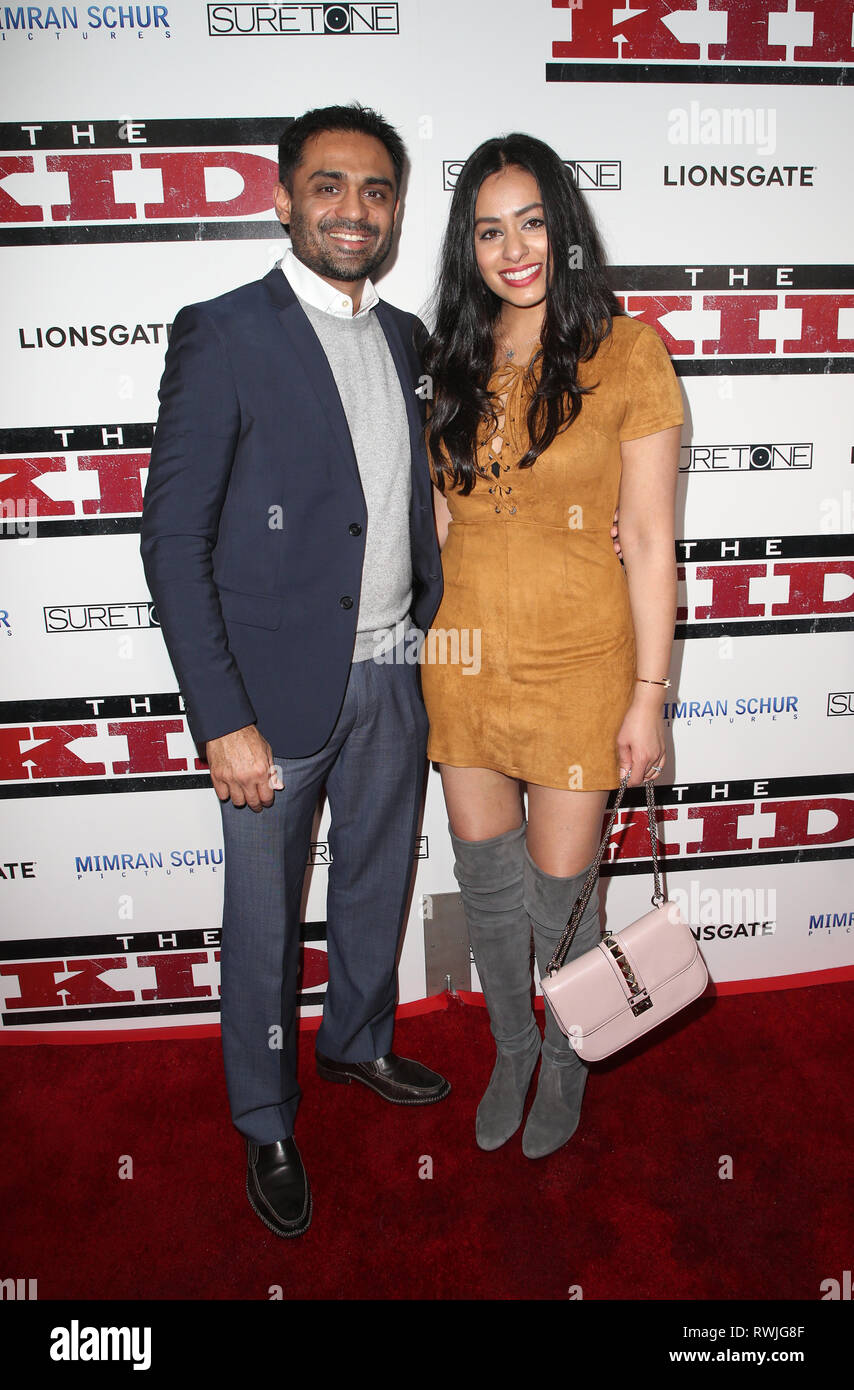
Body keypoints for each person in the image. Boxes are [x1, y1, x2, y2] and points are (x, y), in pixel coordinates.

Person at [140, 104, 450, 1239]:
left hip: (394, 675)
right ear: (283, 199)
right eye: (328, 187)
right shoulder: (223, 332)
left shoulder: (410, 336)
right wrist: (218, 715)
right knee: (264, 917)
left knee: (374, 883)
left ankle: (358, 1041)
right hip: (269, 695)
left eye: (374, 191)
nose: (352, 211)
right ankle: (265, 1114)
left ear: (395, 208)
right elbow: (173, 540)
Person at [420, 133, 683, 1159]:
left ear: (562, 228)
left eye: (530, 221)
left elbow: (653, 537)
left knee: (559, 900)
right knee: (486, 888)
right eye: (488, 230)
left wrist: (646, 693)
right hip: (463, 664)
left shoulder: (628, 353)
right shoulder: (448, 358)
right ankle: (511, 1049)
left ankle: (567, 1060)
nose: (512, 247)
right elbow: (442, 528)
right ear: (468, 248)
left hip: (580, 664)